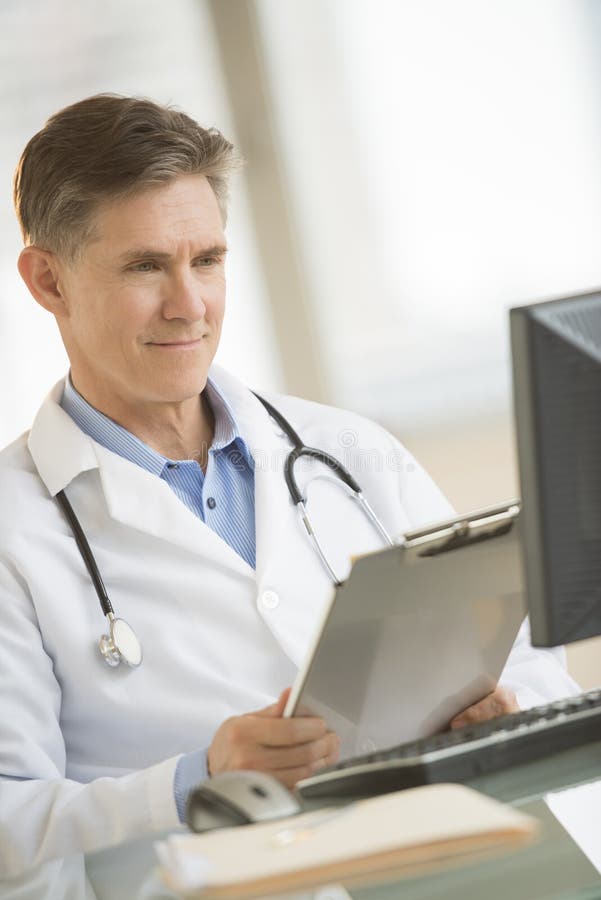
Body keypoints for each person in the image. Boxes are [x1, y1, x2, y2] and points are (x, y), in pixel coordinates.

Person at [0, 94, 579, 877]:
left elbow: (532, 667)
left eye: (206, 259)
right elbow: (10, 818)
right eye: (144, 266)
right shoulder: (15, 528)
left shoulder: (347, 451)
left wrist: (499, 713)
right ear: (48, 281)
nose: (188, 304)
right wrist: (193, 780)